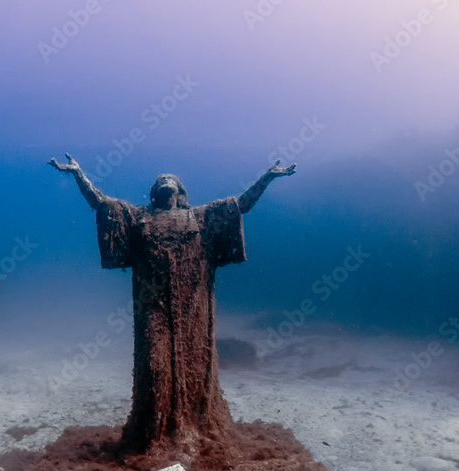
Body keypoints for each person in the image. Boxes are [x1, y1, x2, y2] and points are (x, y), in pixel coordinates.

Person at [49, 154, 295, 454]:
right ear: (155, 193)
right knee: (155, 365)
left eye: (172, 181)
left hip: (193, 309)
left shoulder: (201, 217)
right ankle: (155, 434)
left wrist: (267, 177)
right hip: (153, 308)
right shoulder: (139, 217)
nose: (166, 182)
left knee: (197, 365)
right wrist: (78, 175)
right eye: (160, 181)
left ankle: (193, 429)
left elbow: (239, 204)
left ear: (180, 192)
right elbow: (102, 203)